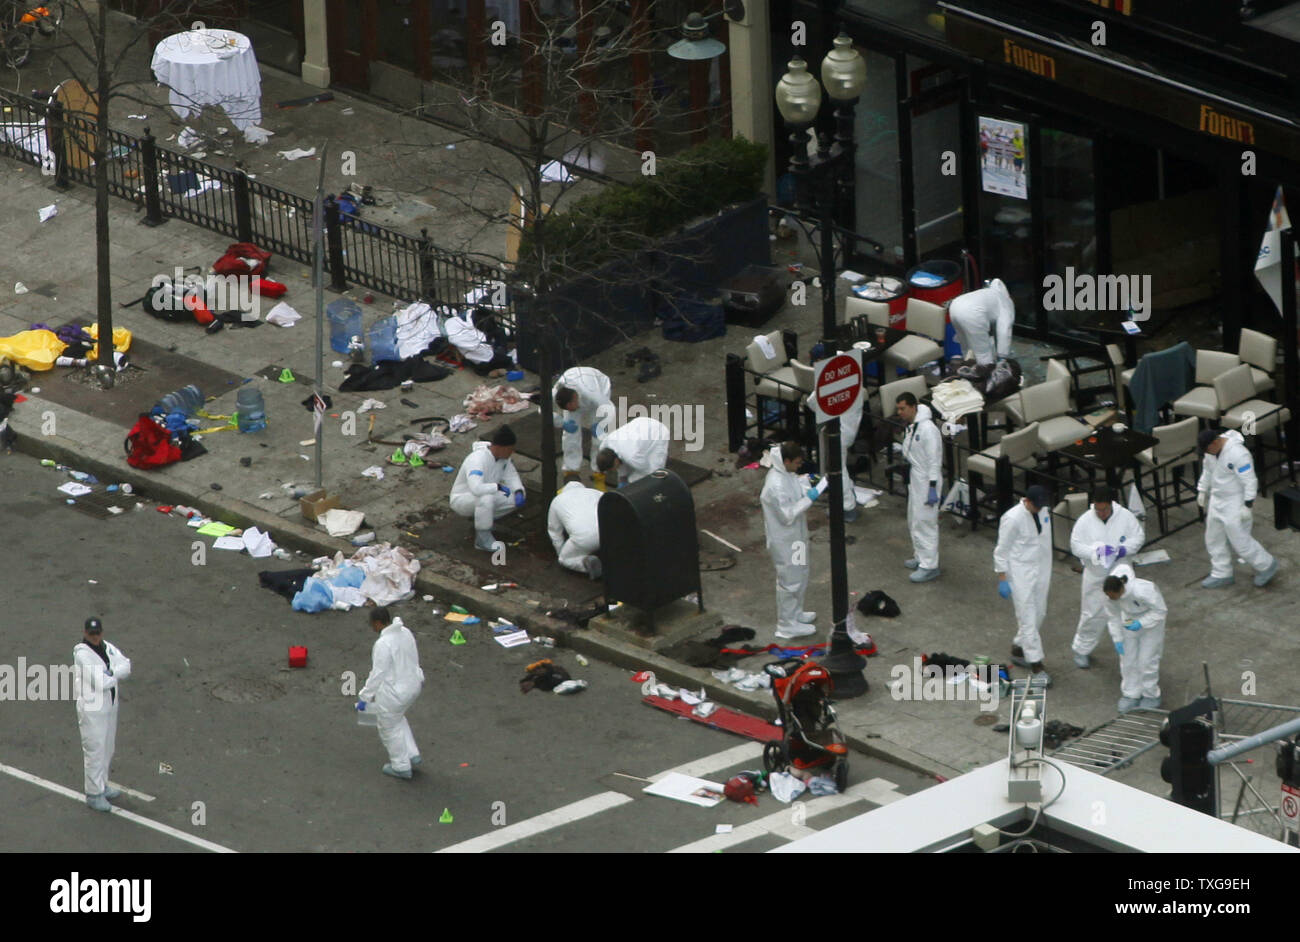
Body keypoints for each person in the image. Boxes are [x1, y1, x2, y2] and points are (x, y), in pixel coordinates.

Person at [1068, 485, 1145, 668]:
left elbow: (1139, 537)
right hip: (1095, 575)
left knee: (1127, 611)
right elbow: (1076, 546)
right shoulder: (1085, 521)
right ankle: (1082, 649)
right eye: (1098, 509)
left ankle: (1130, 649)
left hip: (1120, 572)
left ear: (1111, 504)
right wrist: (1096, 552)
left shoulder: (1125, 516)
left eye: (1104, 509)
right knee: (1092, 614)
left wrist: (1123, 550)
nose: (1101, 513)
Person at [1197, 428, 1279, 588]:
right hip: (1217, 498)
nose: (1206, 453)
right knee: (1213, 538)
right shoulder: (1211, 452)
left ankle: (1266, 565)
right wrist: (1202, 490)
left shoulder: (1239, 454)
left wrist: (1247, 505)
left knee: (1240, 540)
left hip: (1234, 501)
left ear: (1214, 443)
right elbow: (1207, 471)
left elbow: (1249, 481)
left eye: (1207, 449)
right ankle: (1221, 573)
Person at [994, 484, 1054, 686]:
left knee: (1040, 613)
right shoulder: (1012, 519)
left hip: (1041, 569)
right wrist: (1003, 579)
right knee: (1027, 618)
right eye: (1035, 505)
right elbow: (1001, 551)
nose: (1039, 509)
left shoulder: (1043, 511)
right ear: (1026, 501)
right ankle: (1036, 665)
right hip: (1020, 573)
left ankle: (1019, 648)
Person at [357, 607, 425, 780]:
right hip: (413, 685)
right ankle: (411, 753)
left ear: (378, 623)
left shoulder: (383, 644)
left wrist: (364, 697)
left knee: (388, 727)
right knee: (398, 718)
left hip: (395, 693)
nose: (371, 627)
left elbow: (377, 674)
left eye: (372, 624)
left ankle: (401, 766)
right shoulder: (405, 632)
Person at [761, 442, 819, 640]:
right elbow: (787, 514)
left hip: (797, 537)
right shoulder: (776, 485)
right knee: (790, 581)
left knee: (801, 572)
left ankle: (796, 613)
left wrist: (806, 483)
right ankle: (786, 624)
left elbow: (795, 484)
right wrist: (810, 498)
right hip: (785, 541)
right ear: (786, 461)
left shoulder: (786, 473)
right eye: (796, 463)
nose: (799, 466)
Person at [73, 617, 131, 812]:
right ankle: (93, 793)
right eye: (91, 634)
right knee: (95, 749)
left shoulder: (107, 647)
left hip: (109, 705)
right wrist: (116, 673)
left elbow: (127, 665)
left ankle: (102, 784)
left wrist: (110, 672)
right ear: (85, 633)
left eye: (97, 633)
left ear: (102, 633)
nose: (95, 637)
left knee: (107, 747)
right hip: (92, 709)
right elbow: (101, 683)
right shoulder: (82, 654)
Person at [449, 425, 525, 551]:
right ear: (500, 447)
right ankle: (482, 539)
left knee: (512, 497)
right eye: (510, 449)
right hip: (462, 499)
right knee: (486, 498)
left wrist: (518, 491)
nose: (512, 452)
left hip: (484, 495)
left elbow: (511, 476)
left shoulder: (503, 459)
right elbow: (476, 489)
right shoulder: (477, 460)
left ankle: (484, 520)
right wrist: (497, 486)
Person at [1103, 565, 1167, 713]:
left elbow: (1160, 610)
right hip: (1128, 621)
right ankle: (1131, 693)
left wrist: (1141, 623)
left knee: (1147, 660)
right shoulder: (1110, 598)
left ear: (1120, 590)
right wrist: (1117, 638)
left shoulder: (1144, 590)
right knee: (1127, 659)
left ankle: (1151, 694)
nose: (1110, 598)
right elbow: (1113, 617)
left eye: (1113, 595)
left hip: (1152, 625)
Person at [895, 391, 942, 582]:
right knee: (914, 518)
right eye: (898, 409)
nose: (899, 412)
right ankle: (920, 555)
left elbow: (934, 461)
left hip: (926, 480)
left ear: (913, 407)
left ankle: (930, 565)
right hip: (916, 478)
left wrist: (932, 487)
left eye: (902, 408)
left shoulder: (928, 430)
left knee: (926, 522)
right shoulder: (913, 426)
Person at [552, 366, 613, 484]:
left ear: (574, 400)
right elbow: (543, 410)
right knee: (570, 435)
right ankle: (571, 472)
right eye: (567, 409)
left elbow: (610, 408)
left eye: (572, 408)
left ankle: (599, 474)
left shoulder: (593, 394)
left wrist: (602, 424)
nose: (571, 411)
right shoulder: (555, 393)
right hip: (575, 381)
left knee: (599, 438)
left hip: (598, 386)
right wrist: (561, 422)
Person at [948, 279, 1015, 366]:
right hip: (972, 312)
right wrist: (1002, 356)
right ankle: (986, 375)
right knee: (983, 353)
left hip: (955, 305)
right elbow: (1004, 330)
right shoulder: (1006, 302)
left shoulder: (989, 292)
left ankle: (968, 367)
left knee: (966, 346)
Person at [548, 480, 603, 578]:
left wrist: (561, 552)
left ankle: (586, 564)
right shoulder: (596, 493)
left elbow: (554, 532)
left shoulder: (557, 500)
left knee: (564, 559)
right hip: (607, 531)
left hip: (584, 538)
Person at [595, 416, 669, 488]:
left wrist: (630, 481)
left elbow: (646, 470)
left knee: (655, 472)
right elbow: (621, 462)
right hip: (640, 424)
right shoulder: (604, 446)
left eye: (612, 469)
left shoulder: (631, 457)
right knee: (634, 463)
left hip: (658, 432)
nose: (614, 471)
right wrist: (622, 479)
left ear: (616, 461)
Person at [444, 307, 514, 375]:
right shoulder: (467, 330)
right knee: (507, 360)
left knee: (498, 335)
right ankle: (499, 367)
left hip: (478, 357)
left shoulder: (459, 323)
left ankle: (495, 366)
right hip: (483, 358)